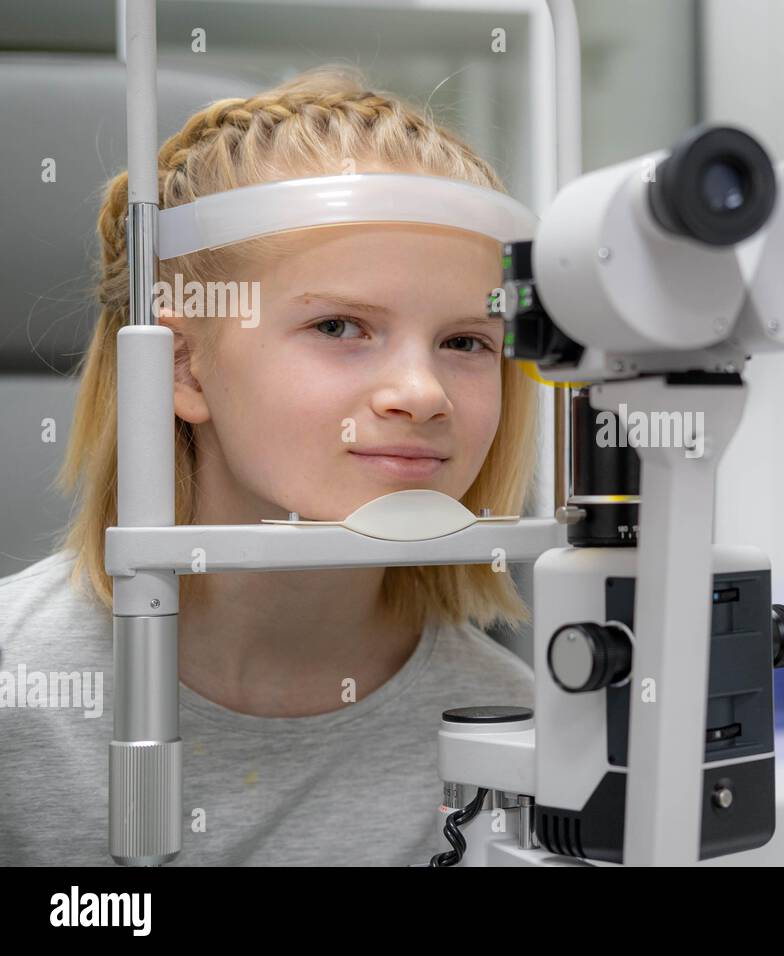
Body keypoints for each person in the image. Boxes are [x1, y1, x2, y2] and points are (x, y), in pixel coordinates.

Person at [0, 65, 540, 866]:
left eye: (466, 343)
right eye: (340, 326)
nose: (422, 394)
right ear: (181, 367)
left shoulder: (511, 724)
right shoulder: (19, 692)